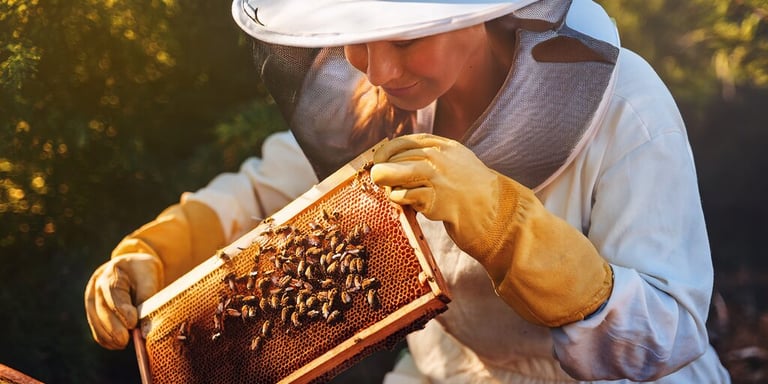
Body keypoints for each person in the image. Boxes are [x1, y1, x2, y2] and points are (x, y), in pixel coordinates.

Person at [84, 0, 732, 382]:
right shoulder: (374, 101)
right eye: (355, 41)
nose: (379, 69)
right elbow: (262, 195)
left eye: (405, 38)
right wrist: (157, 254)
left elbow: (668, 331)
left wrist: (514, 233)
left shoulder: (626, 106)